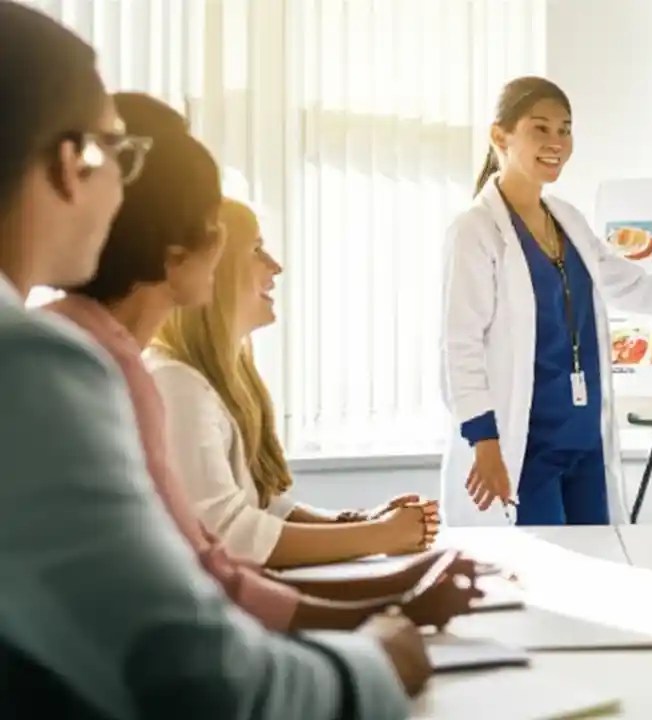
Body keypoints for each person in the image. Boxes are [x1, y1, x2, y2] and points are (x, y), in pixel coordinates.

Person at [0, 2, 422, 717]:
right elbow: (198, 675)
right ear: (72, 165)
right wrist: (374, 662)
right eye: (118, 153)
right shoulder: (35, 364)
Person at [47, 91, 479, 631]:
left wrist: (392, 591)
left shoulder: (113, 363)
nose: (273, 265)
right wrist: (383, 588)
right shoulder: (126, 375)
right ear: (176, 252)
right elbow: (217, 558)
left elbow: (210, 564)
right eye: (238, 241)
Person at [441, 76, 652, 526]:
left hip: (584, 441)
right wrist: (483, 441)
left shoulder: (567, 220)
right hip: (524, 446)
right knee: (539, 564)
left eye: (565, 130)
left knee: (598, 562)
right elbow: (460, 344)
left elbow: (632, 284)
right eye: (540, 128)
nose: (556, 142)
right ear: (499, 135)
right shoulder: (475, 230)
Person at [145, 195, 435, 568]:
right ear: (217, 267)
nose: (275, 267)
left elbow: (260, 505)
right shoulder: (175, 385)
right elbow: (227, 534)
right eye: (256, 250)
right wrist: (382, 535)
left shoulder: (210, 380)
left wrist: (359, 522)